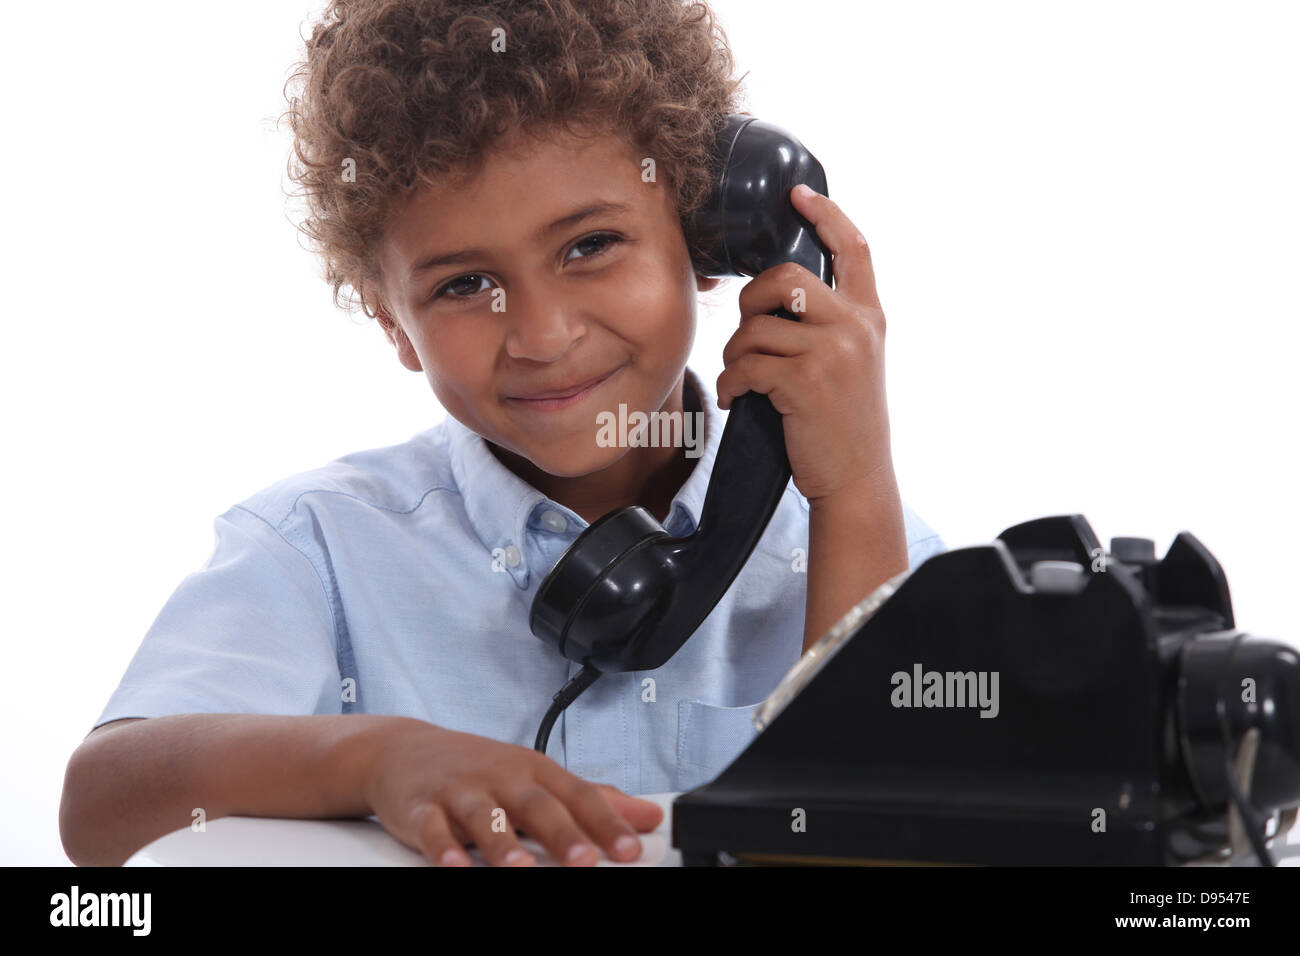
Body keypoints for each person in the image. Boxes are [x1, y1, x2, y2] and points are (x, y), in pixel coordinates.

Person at [59, 0, 946, 868]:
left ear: (706, 238)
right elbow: (101, 807)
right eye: (461, 285)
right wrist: (376, 759)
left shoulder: (858, 547)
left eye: (590, 245)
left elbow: (904, 838)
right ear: (393, 323)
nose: (543, 336)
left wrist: (856, 485)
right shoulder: (317, 549)